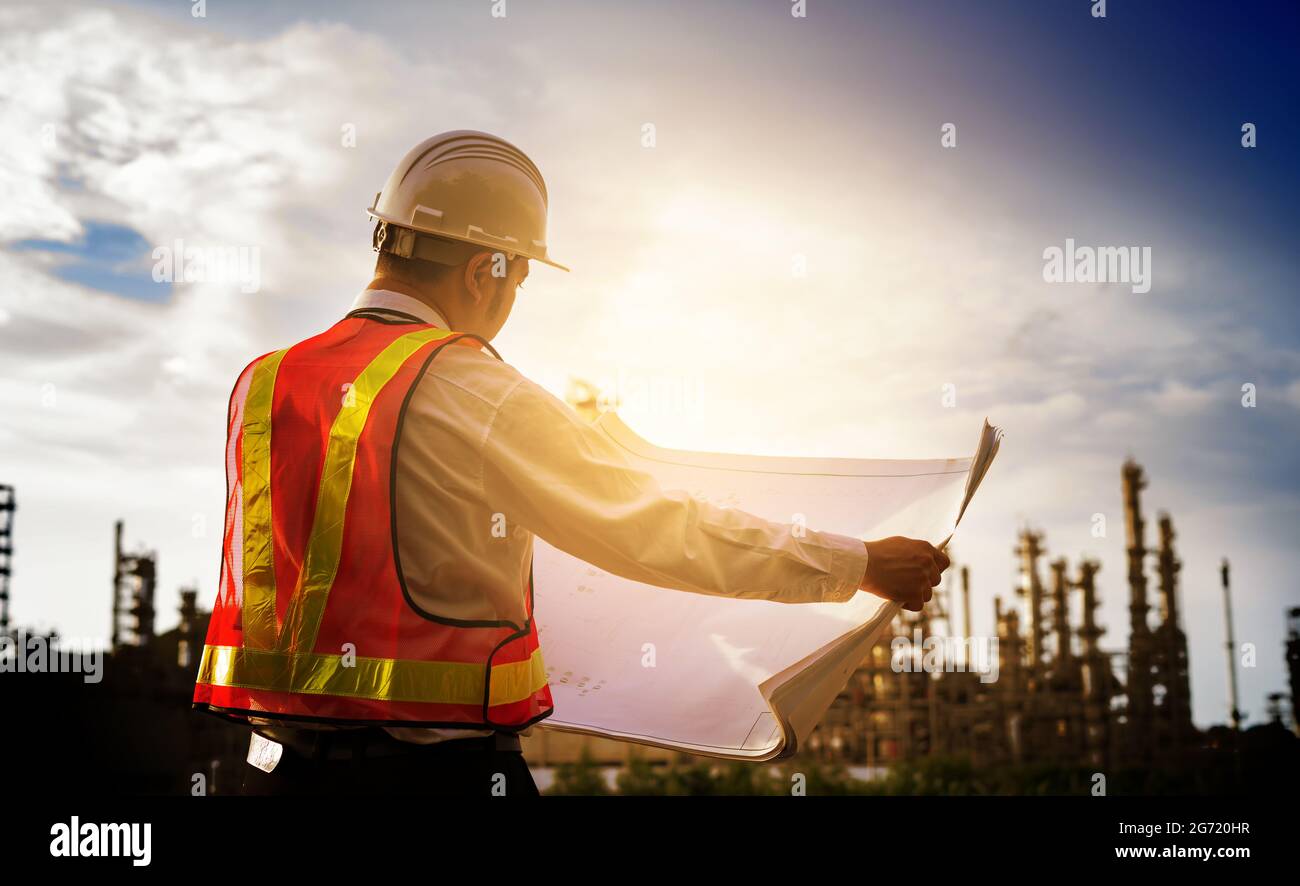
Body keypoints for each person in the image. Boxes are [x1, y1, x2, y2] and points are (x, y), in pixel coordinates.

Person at [192, 130, 949, 796]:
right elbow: (654, 528)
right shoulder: (473, 390)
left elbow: (357, 560)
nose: (511, 300)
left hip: (268, 773)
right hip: (432, 777)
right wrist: (857, 563)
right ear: (486, 270)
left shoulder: (262, 384)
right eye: (517, 278)